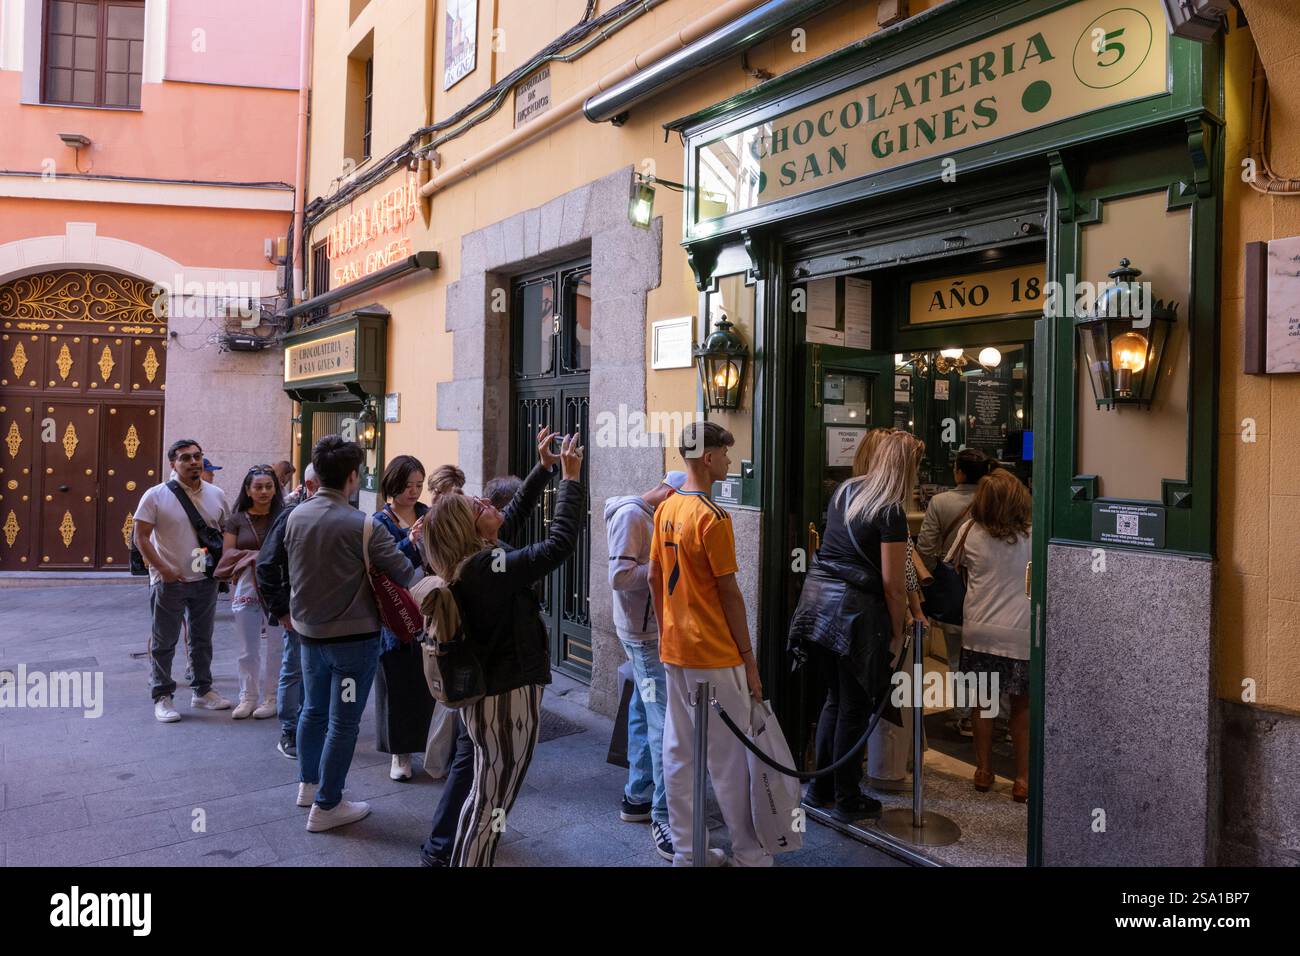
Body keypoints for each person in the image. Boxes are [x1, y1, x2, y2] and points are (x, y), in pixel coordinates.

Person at [414, 426, 583, 867]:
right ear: (470, 527)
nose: (490, 504)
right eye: (479, 506)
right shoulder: (487, 566)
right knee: (492, 802)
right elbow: (558, 545)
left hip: (495, 695)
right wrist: (570, 479)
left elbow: (516, 516)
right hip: (505, 699)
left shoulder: (478, 560)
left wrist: (543, 470)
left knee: (487, 794)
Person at [650, 421, 770, 868]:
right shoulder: (713, 517)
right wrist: (749, 658)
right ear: (708, 457)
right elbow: (729, 593)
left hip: (676, 649)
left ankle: (688, 851)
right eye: (724, 453)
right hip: (714, 653)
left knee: (679, 752)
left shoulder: (666, 508)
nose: (728, 460)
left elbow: (653, 577)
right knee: (730, 756)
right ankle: (748, 850)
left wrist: (668, 630)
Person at [284, 435, 417, 832]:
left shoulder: (296, 516)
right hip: (353, 642)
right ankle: (328, 804)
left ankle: (309, 786)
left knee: (312, 710)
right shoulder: (362, 526)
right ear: (353, 477)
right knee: (343, 723)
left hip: (309, 634)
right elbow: (405, 574)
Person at [788, 430, 921, 822]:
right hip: (855, 618)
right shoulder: (890, 509)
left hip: (816, 606)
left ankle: (820, 789)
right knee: (855, 708)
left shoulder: (846, 490)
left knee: (835, 699)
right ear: (906, 468)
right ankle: (848, 798)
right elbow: (893, 584)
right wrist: (897, 631)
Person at [605, 470, 688, 862]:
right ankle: (663, 816)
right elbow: (620, 576)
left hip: (645, 632)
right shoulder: (633, 517)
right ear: (669, 494)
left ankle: (637, 796)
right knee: (662, 720)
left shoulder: (648, 516)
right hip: (643, 638)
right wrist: (664, 564)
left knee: (643, 707)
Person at [947, 467, 1032, 802]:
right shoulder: (1032, 534)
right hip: (1020, 630)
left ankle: (983, 770)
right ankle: (1022, 779)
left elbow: (953, 567)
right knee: (1021, 707)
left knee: (983, 704)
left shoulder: (970, 531)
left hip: (979, 629)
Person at [133, 439, 233, 721]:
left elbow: (226, 532)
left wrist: (224, 566)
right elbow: (139, 537)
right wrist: (162, 569)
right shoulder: (155, 495)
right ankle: (162, 695)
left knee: (202, 638)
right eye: (185, 457)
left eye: (198, 456)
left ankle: (203, 691)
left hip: (205, 579)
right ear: (172, 464)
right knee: (164, 641)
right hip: (170, 580)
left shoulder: (217, 494)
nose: (193, 462)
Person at [916, 447, 992, 738]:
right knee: (991, 658)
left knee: (958, 657)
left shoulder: (940, 501)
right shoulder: (994, 499)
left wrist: (937, 574)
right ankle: (993, 715)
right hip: (990, 589)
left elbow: (925, 548)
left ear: (958, 471)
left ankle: (965, 717)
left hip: (956, 590)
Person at [372, 454, 435, 781]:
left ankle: (431, 746)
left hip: (429, 604)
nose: (414, 492)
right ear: (392, 484)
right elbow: (382, 564)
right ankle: (400, 753)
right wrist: (410, 541)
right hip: (396, 609)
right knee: (398, 679)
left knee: (429, 680)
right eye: (408, 485)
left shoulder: (428, 513)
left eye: (419, 485)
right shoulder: (380, 521)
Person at [256, 463, 320, 758]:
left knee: (316, 671)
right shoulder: (290, 517)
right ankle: (290, 730)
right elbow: (266, 566)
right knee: (294, 669)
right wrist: (281, 611)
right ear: (309, 486)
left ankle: (311, 724)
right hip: (296, 610)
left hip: (326, 613)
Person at [219, 465, 286, 720]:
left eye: (269, 486)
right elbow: (227, 555)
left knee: (276, 646)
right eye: (258, 487)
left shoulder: (284, 516)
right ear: (248, 490)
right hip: (246, 586)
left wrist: (259, 558)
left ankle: (272, 697)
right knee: (247, 647)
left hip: (277, 588)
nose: (264, 491)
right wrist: (257, 556)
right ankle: (247, 697)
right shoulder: (236, 519)